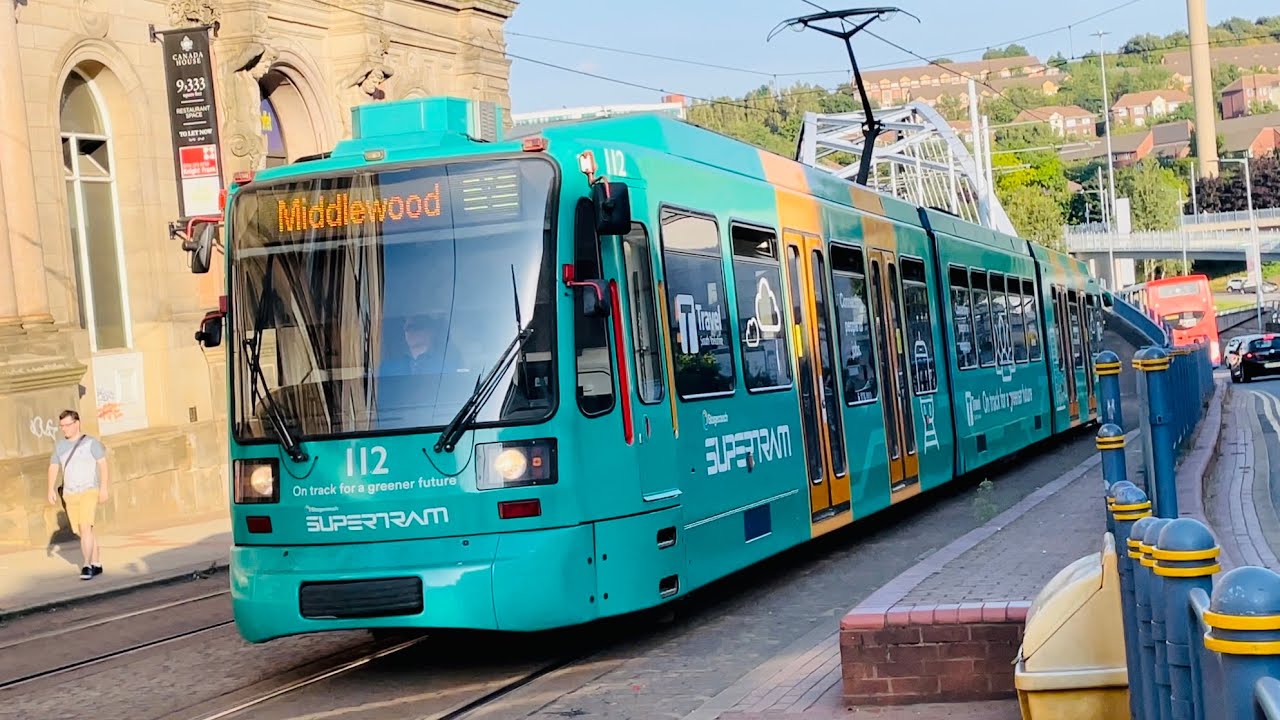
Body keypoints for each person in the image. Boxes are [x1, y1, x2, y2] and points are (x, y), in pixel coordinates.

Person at [46, 410, 109, 580]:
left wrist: (104, 488)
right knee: (84, 530)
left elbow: (103, 465)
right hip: (70, 493)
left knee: (85, 526)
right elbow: (53, 466)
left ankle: (87, 565)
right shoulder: (60, 446)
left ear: (77, 423)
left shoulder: (91, 443)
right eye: (62, 426)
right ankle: (97, 563)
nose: (64, 429)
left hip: (89, 490)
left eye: (67, 425)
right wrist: (50, 489)